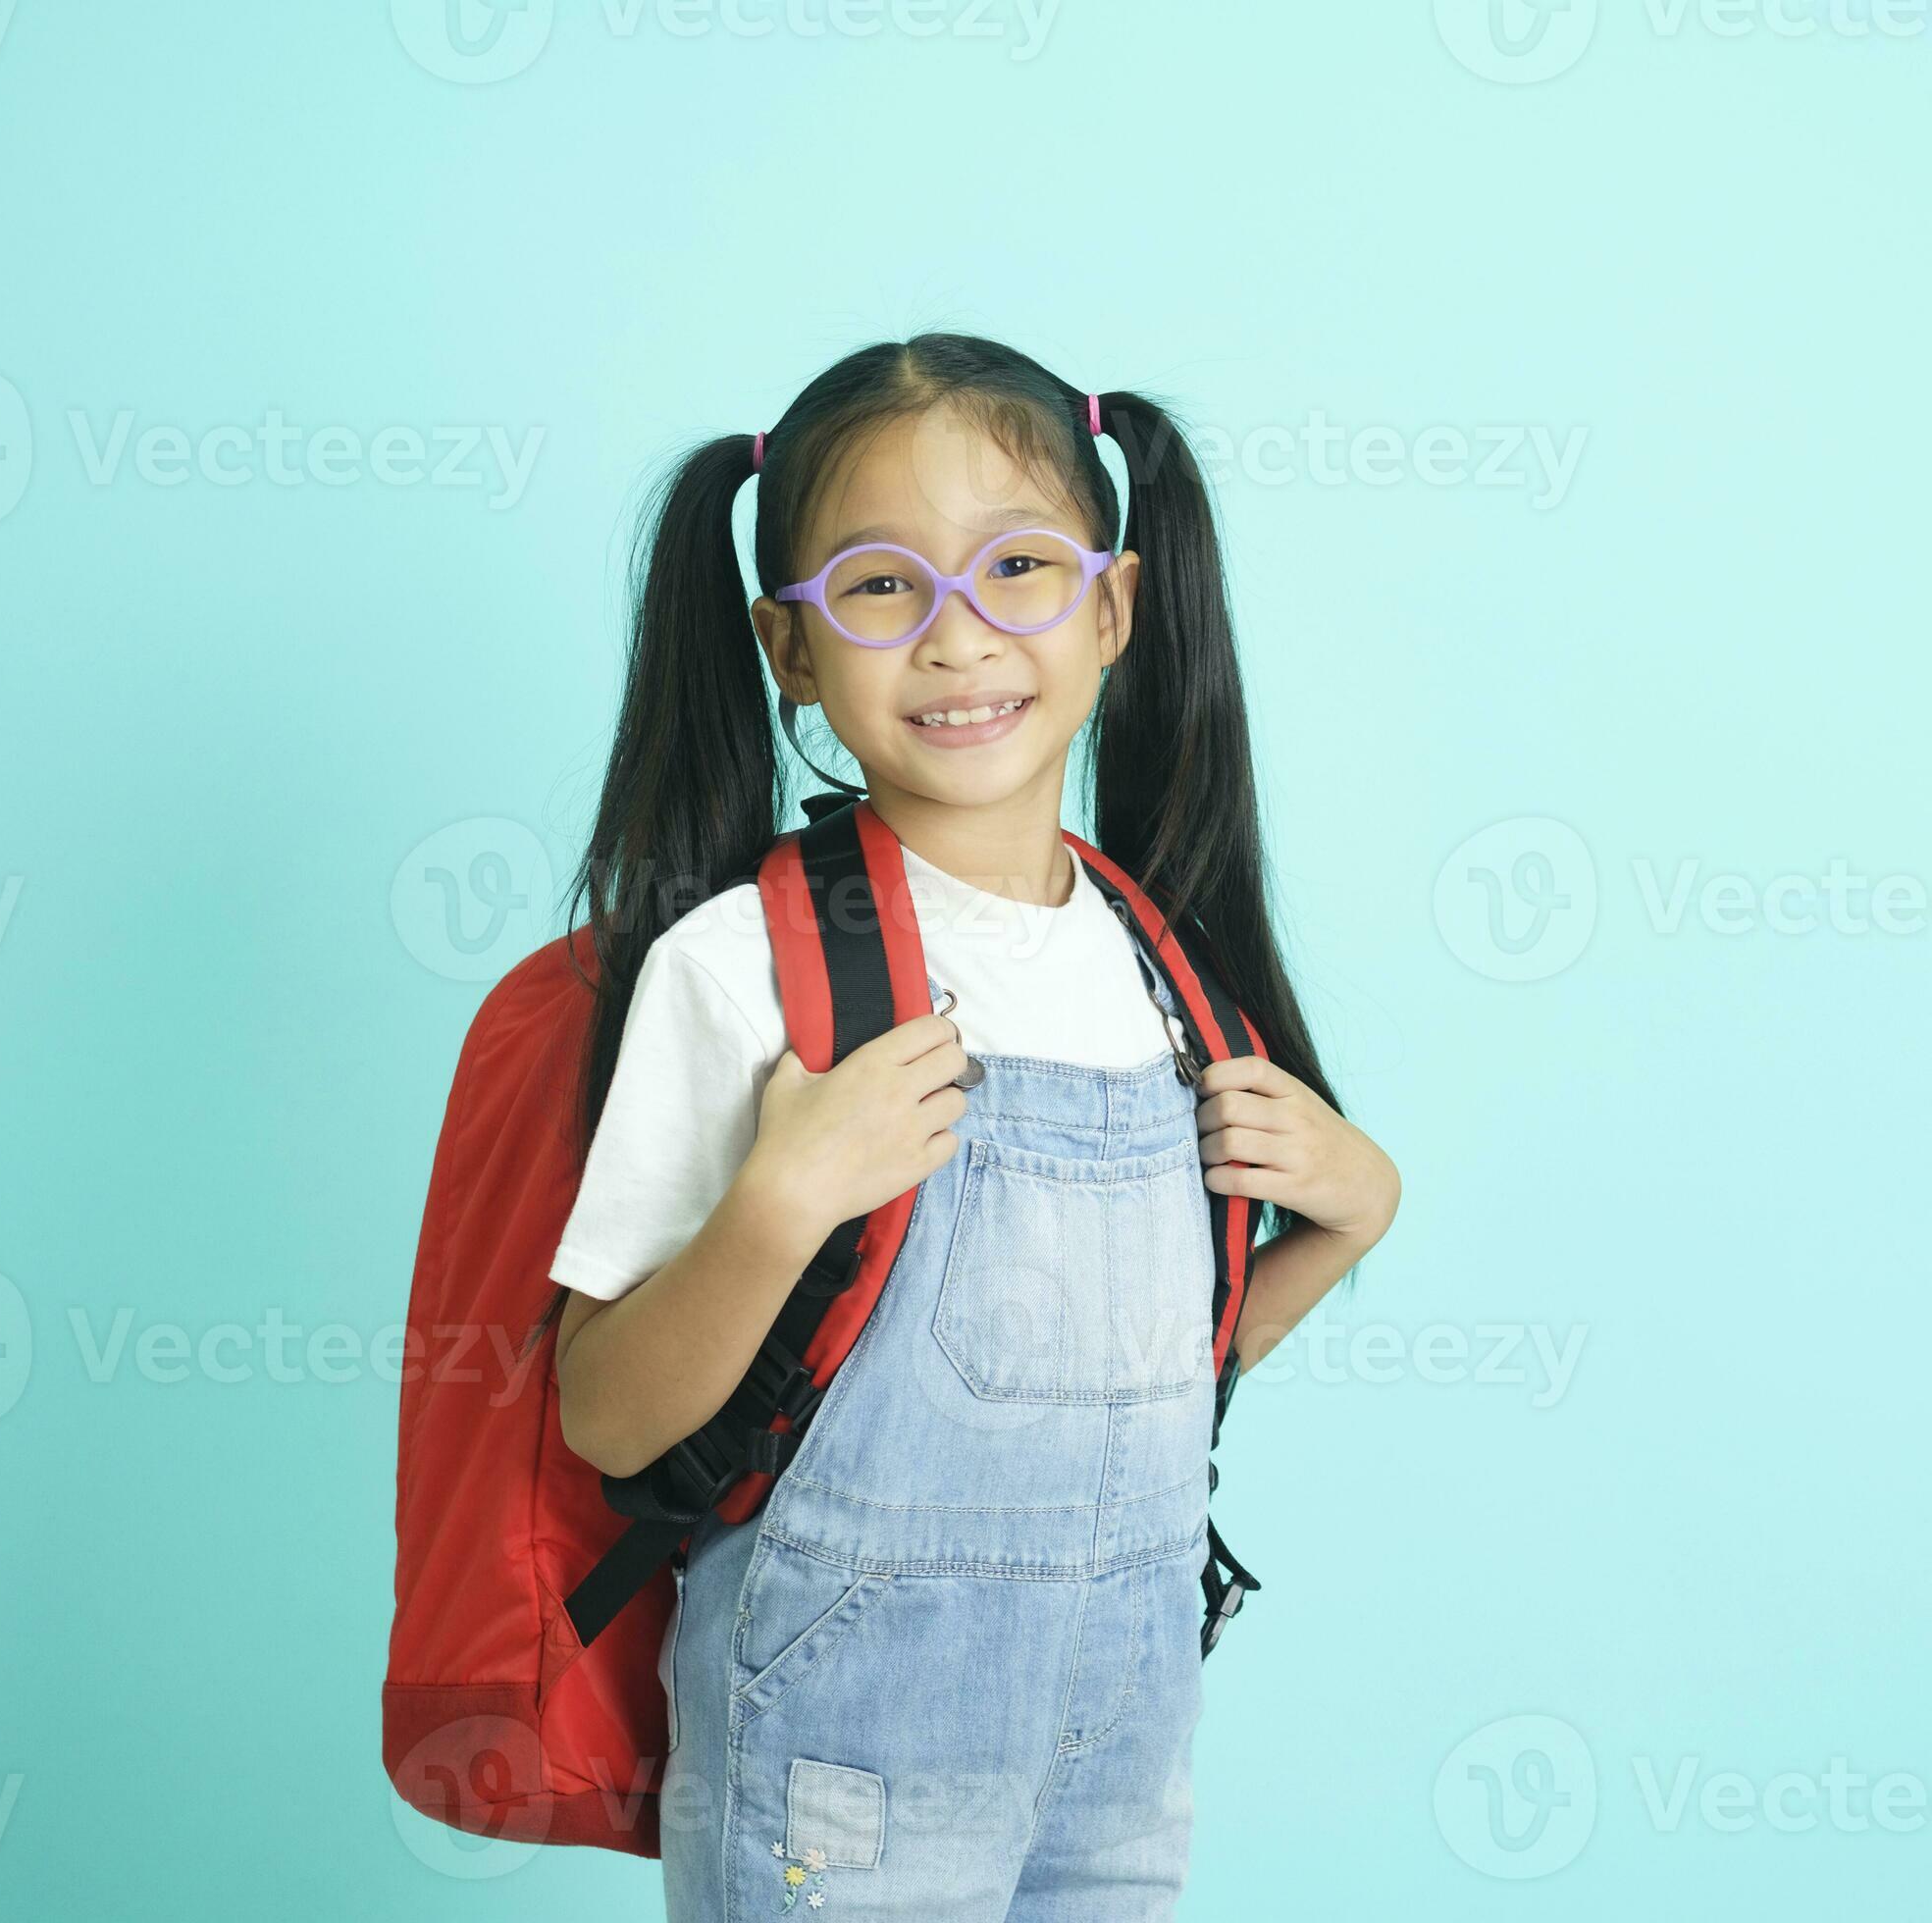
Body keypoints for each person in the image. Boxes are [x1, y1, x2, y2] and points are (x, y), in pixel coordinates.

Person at [547, 333, 1399, 1917]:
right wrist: (775, 1202)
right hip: (842, 1749)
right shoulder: (741, 972)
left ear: (1115, 609)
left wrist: (1353, 1221)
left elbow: (1131, 1379)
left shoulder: (1165, 978)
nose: (957, 640)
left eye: (1018, 567)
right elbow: (607, 1416)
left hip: (1122, 1741)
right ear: (786, 650)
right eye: (879, 587)